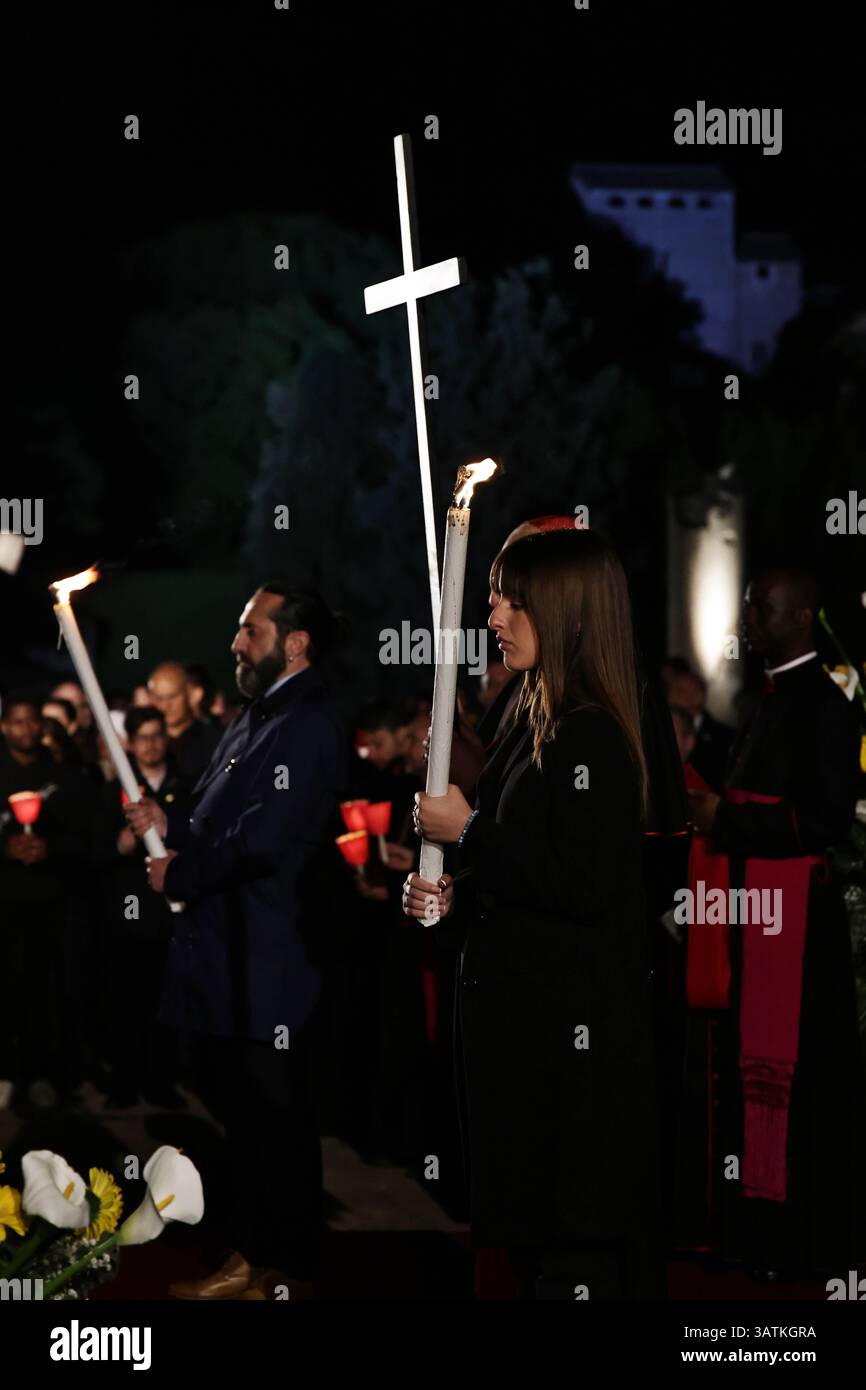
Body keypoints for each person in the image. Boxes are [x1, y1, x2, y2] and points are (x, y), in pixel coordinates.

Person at [404, 529, 664, 1299]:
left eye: (514, 599)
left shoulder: (592, 734)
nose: (494, 614)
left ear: (567, 611)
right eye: (493, 596)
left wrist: (470, 832)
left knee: (569, 1256)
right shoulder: (532, 721)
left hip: (569, 1059)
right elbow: (528, 875)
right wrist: (452, 893)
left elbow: (584, 886)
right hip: (528, 1042)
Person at [125, 584, 347, 1299]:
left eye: (248, 630)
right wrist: (170, 819)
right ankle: (253, 1255)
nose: (234, 644)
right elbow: (220, 811)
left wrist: (180, 866)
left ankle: (288, 1266)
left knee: (276, 1116)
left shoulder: (306, 720)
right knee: (247, 1117)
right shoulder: (259, 716)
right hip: (228, 951)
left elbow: (266, 834)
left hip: (269, 956)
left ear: (295, 642)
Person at [676, 568, 866, 1278]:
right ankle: (754, 1231)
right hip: (752, 906)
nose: (748, 615)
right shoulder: (770, 697)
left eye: (761, 605)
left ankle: (794, 1241)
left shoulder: (825, 704)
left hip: (794, 919)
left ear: (802, 615)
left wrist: (725, 817)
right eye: (750, 603)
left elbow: (821, 819)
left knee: (799, 1078)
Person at [95, 705, 190, 1109]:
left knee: (164, 1000)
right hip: (126, 914)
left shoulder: (185, 788)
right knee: (125, 1000)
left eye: (157, 735)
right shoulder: (111, 789)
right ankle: (123, 1081)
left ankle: (161, 1081)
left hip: (167, 913)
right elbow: (92, 848)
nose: (150, 745)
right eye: (142, 737)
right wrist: (122, 842)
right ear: (129, 744)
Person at [0, 696, 89, 1109]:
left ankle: (40, 1074)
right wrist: (7, 848)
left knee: (42, 990)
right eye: (17, 722)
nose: (26, 730)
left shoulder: (62, 776)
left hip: (47, 904)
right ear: (5, 727)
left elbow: (84, 837)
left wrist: (48, 850)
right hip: (5, 900)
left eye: (32, 721)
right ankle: (5, 1072)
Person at [146, 661, 221, 786]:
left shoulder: (215, 742)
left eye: (172, 696)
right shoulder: (145, 745)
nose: (165, 705)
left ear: (189, 694)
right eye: (159, 698)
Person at [666, 668, 733, 793]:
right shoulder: (663, 727)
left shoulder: (723, 736)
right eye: (669, 691)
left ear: (699, 696)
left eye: (679, 691)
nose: (670, 697)